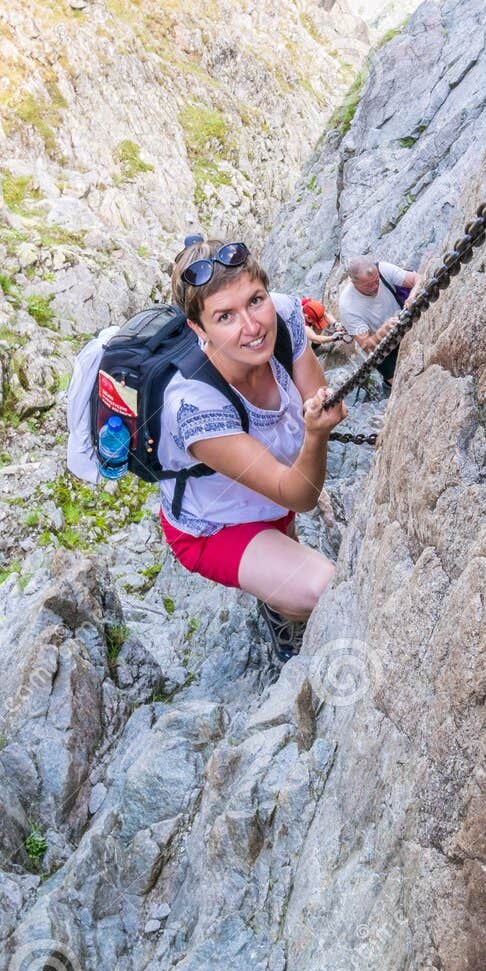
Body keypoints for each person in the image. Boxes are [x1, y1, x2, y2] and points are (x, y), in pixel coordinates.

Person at [157, 238, 347, 660]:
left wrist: (320, 414)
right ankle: (284, 620)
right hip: (213, 526)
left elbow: (317, 394)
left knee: (285, 546)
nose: (252, 326)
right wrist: (315, 435)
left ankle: (278, 598)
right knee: (323, 586)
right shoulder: (194, 405)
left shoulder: (281, 316)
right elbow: (300, 493)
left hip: (271, 493)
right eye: (225, 316)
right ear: (198, 329)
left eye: (254, 300)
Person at [336, 255, 418, 392]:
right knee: (406, 388)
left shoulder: (383, 269)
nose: (375, 287)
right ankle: (387, 385)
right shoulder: (348, 305)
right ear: (354, 283)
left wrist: (412, 296)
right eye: (368, 285)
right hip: (382, 349)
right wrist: (383, 330)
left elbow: (418, 278)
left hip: (405, 324)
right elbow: (367, 346)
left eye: (377, 281)